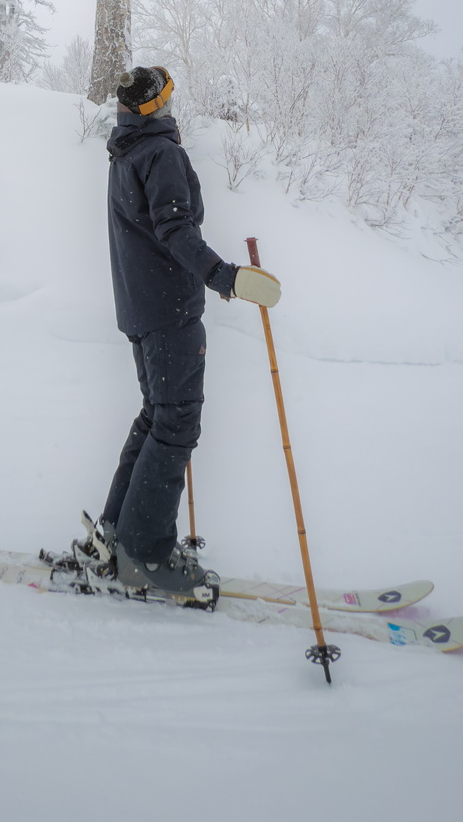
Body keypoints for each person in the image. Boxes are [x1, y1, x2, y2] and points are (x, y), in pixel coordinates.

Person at [94, 64, 281, 603]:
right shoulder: (160, 153)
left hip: (139, 307)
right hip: (169, 310)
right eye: (169, 98)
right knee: (175, 424)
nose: (173, 106)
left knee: (157, 415)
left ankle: (119, 531)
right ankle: (145, 555)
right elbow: (174, 229)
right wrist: (224, 276)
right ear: (155, 106)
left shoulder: (126, 149)